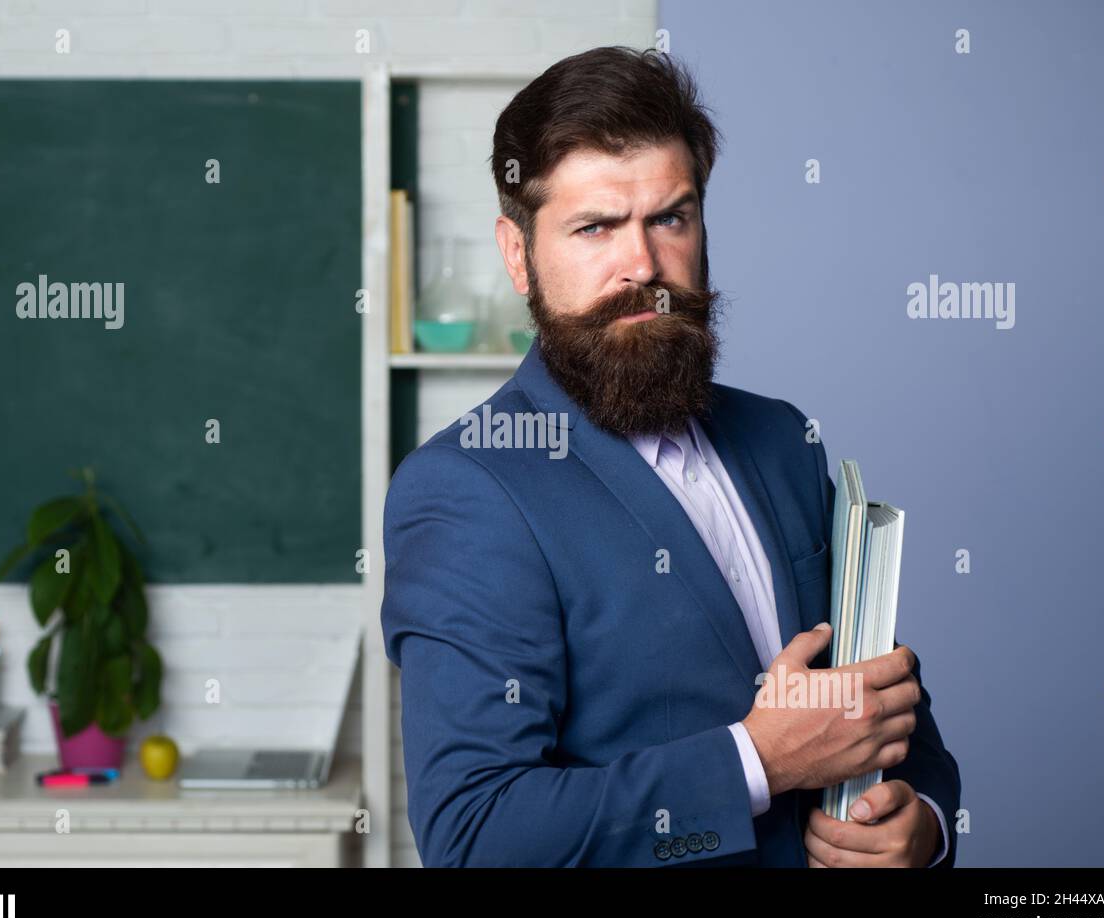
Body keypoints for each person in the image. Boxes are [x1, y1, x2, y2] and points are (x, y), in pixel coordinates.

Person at [381, 45, 960, 867]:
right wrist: (758, 760)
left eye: (670, 217)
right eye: (595, 227)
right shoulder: (466, 489)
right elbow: (477, 837)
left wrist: (924, 822)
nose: (644, 268)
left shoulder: (784, 439)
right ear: (519, 256)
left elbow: (884, 695)